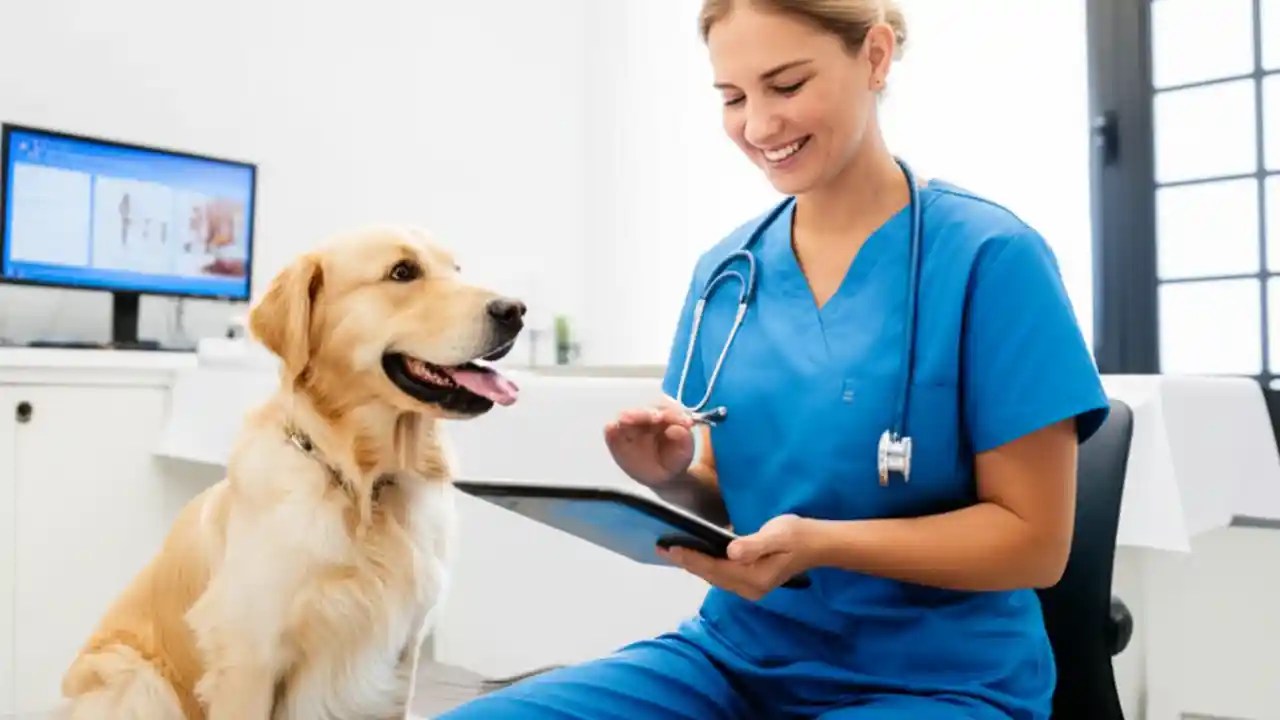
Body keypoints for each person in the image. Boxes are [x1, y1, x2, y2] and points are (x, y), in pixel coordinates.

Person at [438, 0, 1108, 717]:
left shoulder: (990, 258)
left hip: (937, 679)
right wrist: (671, 479)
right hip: (735, 660)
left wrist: (824, 545)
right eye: (732, 97)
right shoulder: (728, 272)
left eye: (786, 86)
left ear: (875, 57)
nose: (758, 126)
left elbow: (1034, 543)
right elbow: (734, 496)